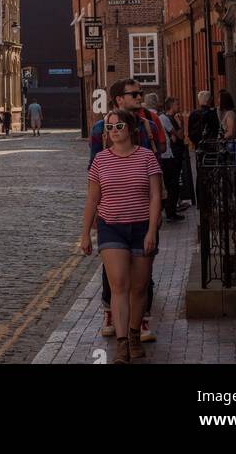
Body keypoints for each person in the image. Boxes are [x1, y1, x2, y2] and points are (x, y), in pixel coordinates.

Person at [79, 108, 162, 363]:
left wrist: (151, 230)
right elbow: (93, 199)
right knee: (119, 286)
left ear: (131, 129)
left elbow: (156, 196)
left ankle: (135, 334)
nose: (114, 132)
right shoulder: (101, 161)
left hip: (141, 228)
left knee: (139, 288)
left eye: (119, 126)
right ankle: (122, 343)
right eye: (109, 128)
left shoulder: (147, 157)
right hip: (110, 227)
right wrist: (84, 234)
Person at [151, 94, 184, 222]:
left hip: (169, 155)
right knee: (172, 185)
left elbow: (176, 137)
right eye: (177, 104)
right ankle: (170, 212)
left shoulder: (166, 118)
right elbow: (179, 136)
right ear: (170, 106)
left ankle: (170, 210)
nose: (179, 106)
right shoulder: (164, 118)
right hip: (167, 156)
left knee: (172, 185)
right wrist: (181, 124)